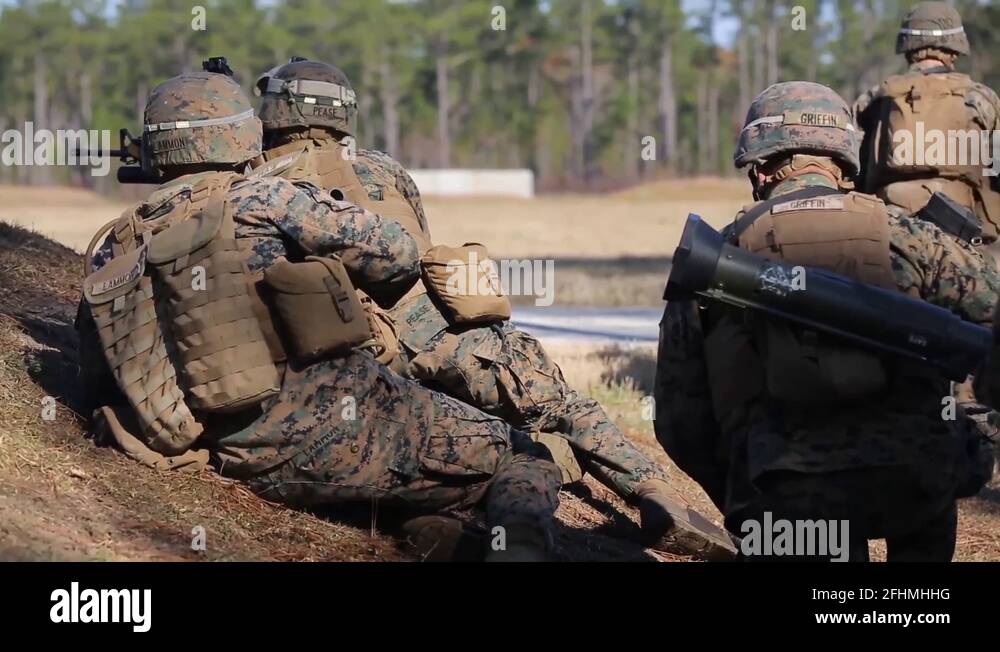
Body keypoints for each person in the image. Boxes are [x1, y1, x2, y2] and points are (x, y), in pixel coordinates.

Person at [250, 57, 736, 559]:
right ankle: (654, 495)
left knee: (424, 447)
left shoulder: (261, 177)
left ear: (275, 109)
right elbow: (421, 248)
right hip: (442, 331)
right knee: (557, 404)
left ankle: (450, 523)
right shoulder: (382, 169)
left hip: (353, 347)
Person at [76, 68, 563, 562]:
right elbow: (397, 253)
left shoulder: (114, 245)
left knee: (389, 485)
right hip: (342, 425)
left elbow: (97, 373)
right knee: (523, 455)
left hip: (232, 457)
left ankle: (431, 534)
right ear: (244, 133)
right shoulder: (263, 197)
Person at [655, 81, 1000, 561]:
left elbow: (679, 422)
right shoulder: (913, 236)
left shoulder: (717, 260)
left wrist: (742, 492)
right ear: (844, 160)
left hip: (786, 494)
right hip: (916, 480)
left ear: (759, 166)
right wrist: (975, 439)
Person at [853, 2, 1000, 249]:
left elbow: (852, 170)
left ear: (907, 46)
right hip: (962, 238)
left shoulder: (874, 100)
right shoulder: (981, 99)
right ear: (955, 48)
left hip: (889, 235)